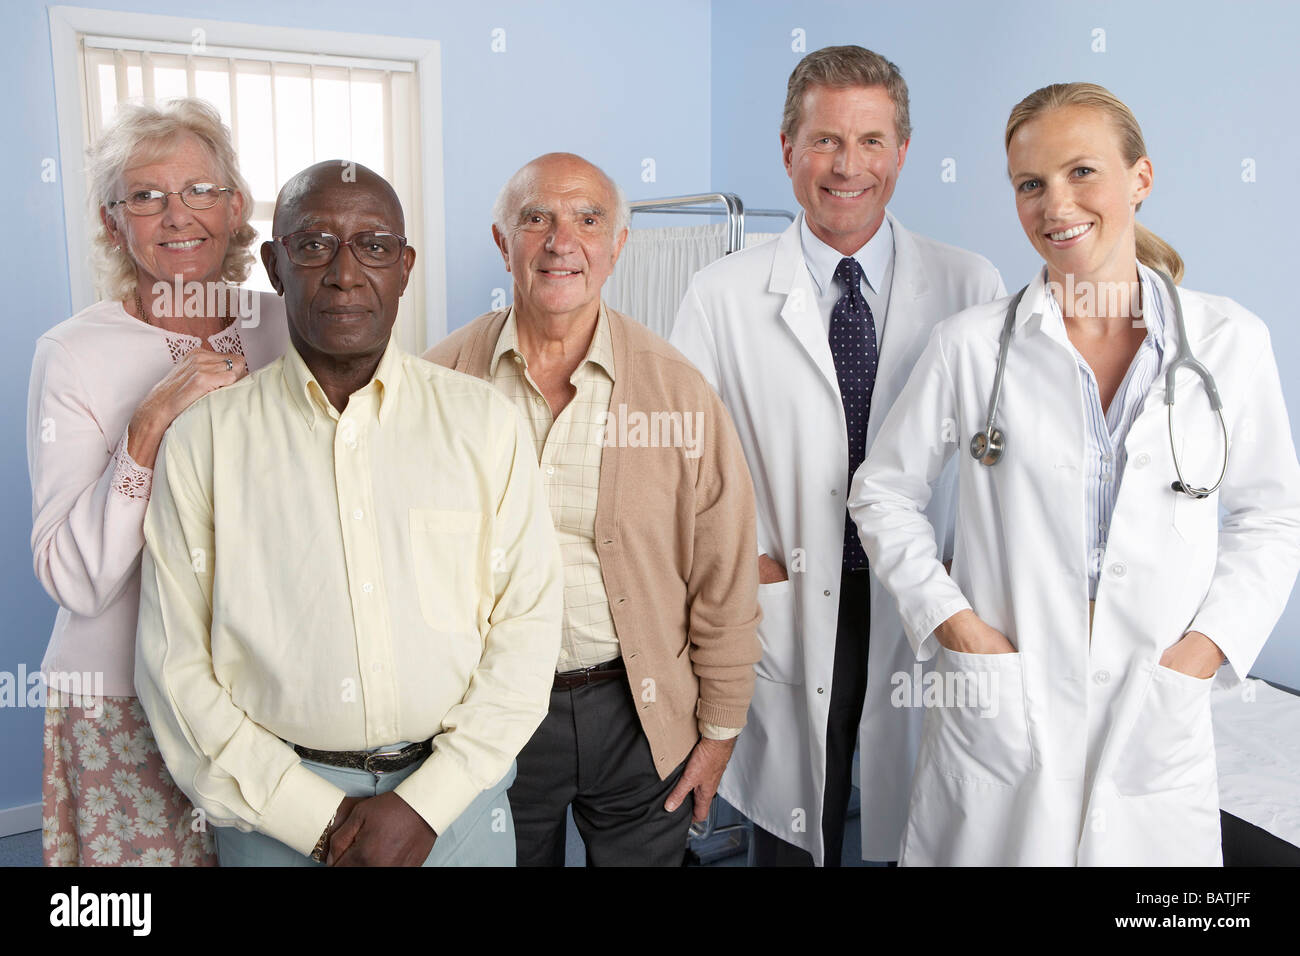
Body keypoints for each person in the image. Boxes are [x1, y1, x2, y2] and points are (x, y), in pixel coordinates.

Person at [849, 82, 1300, 865]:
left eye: (1082, 172)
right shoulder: (973, 347)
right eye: (1031, 184)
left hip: (1153, 694)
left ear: (1141, 179)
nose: (1056, 205)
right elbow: (883, 493)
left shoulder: (1230, 342)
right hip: (1004, 697)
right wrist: (958, 627)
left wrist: (1203, 654)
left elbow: (1273, 518)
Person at [134, 161, 564, 866]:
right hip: (272, 813)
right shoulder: (204, 441)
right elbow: (173, 664)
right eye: (312, 245)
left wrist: (425, 805)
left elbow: (528, 629)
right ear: (274, 266)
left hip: (458, 807)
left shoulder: (483, 424)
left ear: (404, 267)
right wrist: (318, 818)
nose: (343, 272)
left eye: (373, 245)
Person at [670, 45, 1004, 865]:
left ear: (902, 152)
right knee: (793, 829)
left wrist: (978, 565)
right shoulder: (722, 294)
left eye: (871, 141)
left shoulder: (970, 284)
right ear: (787, 149)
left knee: (924, 822)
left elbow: (1005, 455)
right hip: (787, 592)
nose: (846, 166)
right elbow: (683, 461)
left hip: (923, 595)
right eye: (823, 141)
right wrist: (743, 562)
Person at [425, 152, 761, 866]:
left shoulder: (677, 390)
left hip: (641, 710)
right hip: (489, 715)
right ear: (501, 241)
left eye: (587, 219)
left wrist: (720, 730)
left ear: (617, 245)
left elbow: (725, 574)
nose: (560, 241)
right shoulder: (440, 383)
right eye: (535, 218)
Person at [27, 98, 288, 867]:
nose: (178, 216)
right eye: (145, 196)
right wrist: (146, 429)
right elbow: (73, 580)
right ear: (114, 224)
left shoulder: (283, 326)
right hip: (119, 697)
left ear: (236, 208)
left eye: (200, 191)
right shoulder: (72, 353)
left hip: (258, 691)